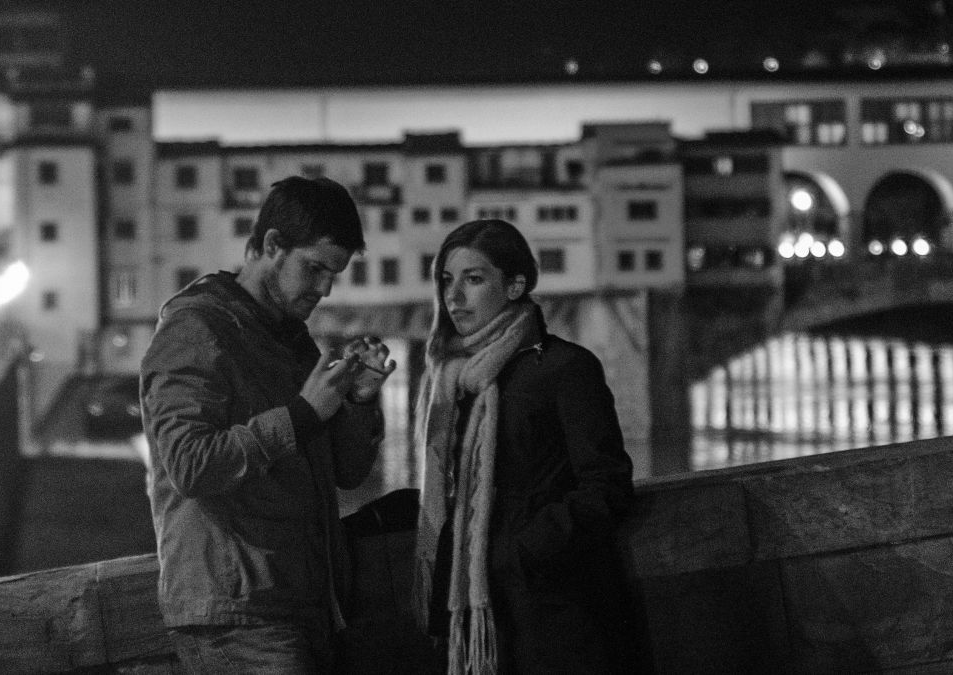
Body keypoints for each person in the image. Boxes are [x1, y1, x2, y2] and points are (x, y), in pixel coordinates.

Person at [141, 176, 396, 674]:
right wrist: (301, 414)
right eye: (316, 268)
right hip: (239, 614)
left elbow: (345, 473)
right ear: (273, 245)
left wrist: (359, 403)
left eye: (334, 274)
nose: (324, 289)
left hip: (301, 604)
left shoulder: (291, 342)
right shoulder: (196, 329)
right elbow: (190, 466)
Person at [413, 219, 638, 674]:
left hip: (554, 610)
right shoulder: (453, 380)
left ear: (516, 285)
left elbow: (607, 485)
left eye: (473, 280)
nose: (454, 297)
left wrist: (521, 554)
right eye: (447, 281)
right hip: (478, 613)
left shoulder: (565, 369)